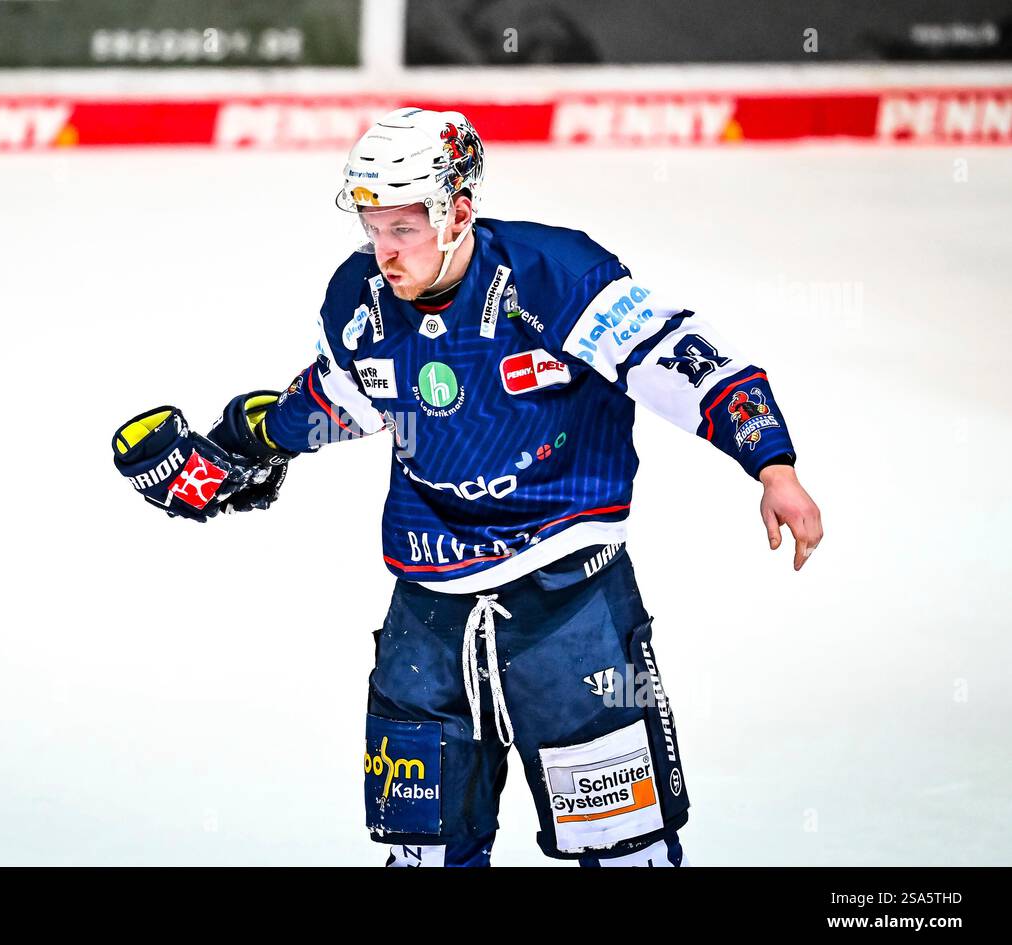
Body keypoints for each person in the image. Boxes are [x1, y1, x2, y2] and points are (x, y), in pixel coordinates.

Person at [112, 107, 824, 867]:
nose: (383, 253)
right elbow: (337, 403)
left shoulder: (554, 275)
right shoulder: (358, 301)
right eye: (372, 228)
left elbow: (682, 360)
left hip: (571, 603)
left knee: (625, 851)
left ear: (457, 210)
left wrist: (771, 462)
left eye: (404, 229)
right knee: (422, 852)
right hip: (428, 614)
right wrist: (233, 452)